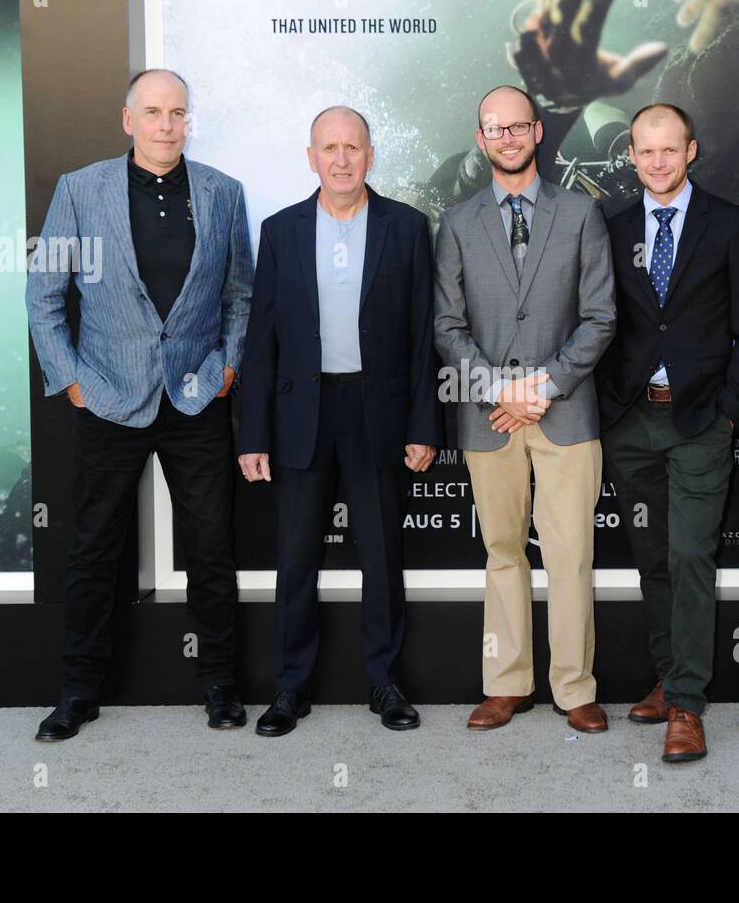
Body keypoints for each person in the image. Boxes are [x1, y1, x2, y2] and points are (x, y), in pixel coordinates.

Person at [26, 69, 253, 740]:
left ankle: (220, 684)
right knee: (95, 551)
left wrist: (228, 368)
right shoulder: (80, 190)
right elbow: (44, 295)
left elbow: (241, 292)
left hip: (195, 400)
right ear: (128, 119)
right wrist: (71, 379)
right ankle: (78, 691)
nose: (166, 125)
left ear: (189, 121)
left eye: (177, 113)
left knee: (211, 550)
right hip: (106, 398)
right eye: (152, 112)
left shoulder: (222, 193)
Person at [236, 106, 444, 736]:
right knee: (296, 558)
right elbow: (261, 339)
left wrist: (422, 425)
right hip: (303, 412)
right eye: (330, 147)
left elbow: (420, 338)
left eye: (353, 147)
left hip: (375, 412)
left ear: (370, 155)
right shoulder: (281, 230)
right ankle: (290, 689)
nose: (342, 158)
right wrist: (254, 432)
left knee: (381, 556)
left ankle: (383, 684)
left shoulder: (407, 228)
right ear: (312, 158)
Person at [433, 85, 616, 733]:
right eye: (493, 129)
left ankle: (575, 689)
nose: (506, 138)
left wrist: (541, 387)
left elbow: (600, 318)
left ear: (537, 133)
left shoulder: (581, 214)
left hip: (565, 414)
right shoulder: (456, 223)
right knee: (503, 550)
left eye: (517, 127)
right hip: (489, 417)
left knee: (570, 556)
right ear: (481, 140)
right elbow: (448, 327)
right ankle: (506, 683)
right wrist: (497, 389)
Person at [597, 103, 739, 762]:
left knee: (693, 555)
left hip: (700, 417)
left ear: (691, 151)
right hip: (632, 419)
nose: (658, 161)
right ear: (632, 155)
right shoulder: (609, 229)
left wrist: (731, 408)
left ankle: (688, 707)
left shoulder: (732, 225)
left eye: (671, 149)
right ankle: (669, 677)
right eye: (646, 150)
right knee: (655, 557)